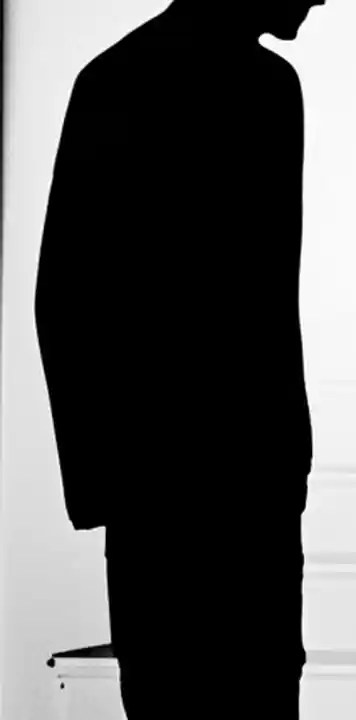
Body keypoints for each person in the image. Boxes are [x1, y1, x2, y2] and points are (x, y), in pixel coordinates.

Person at [34, 1, 326, 717]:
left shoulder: (118, 81)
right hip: (218, 489)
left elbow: (65, 299)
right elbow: (67, 297)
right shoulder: (263, 94)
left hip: (186, 492)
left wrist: (106, 487)